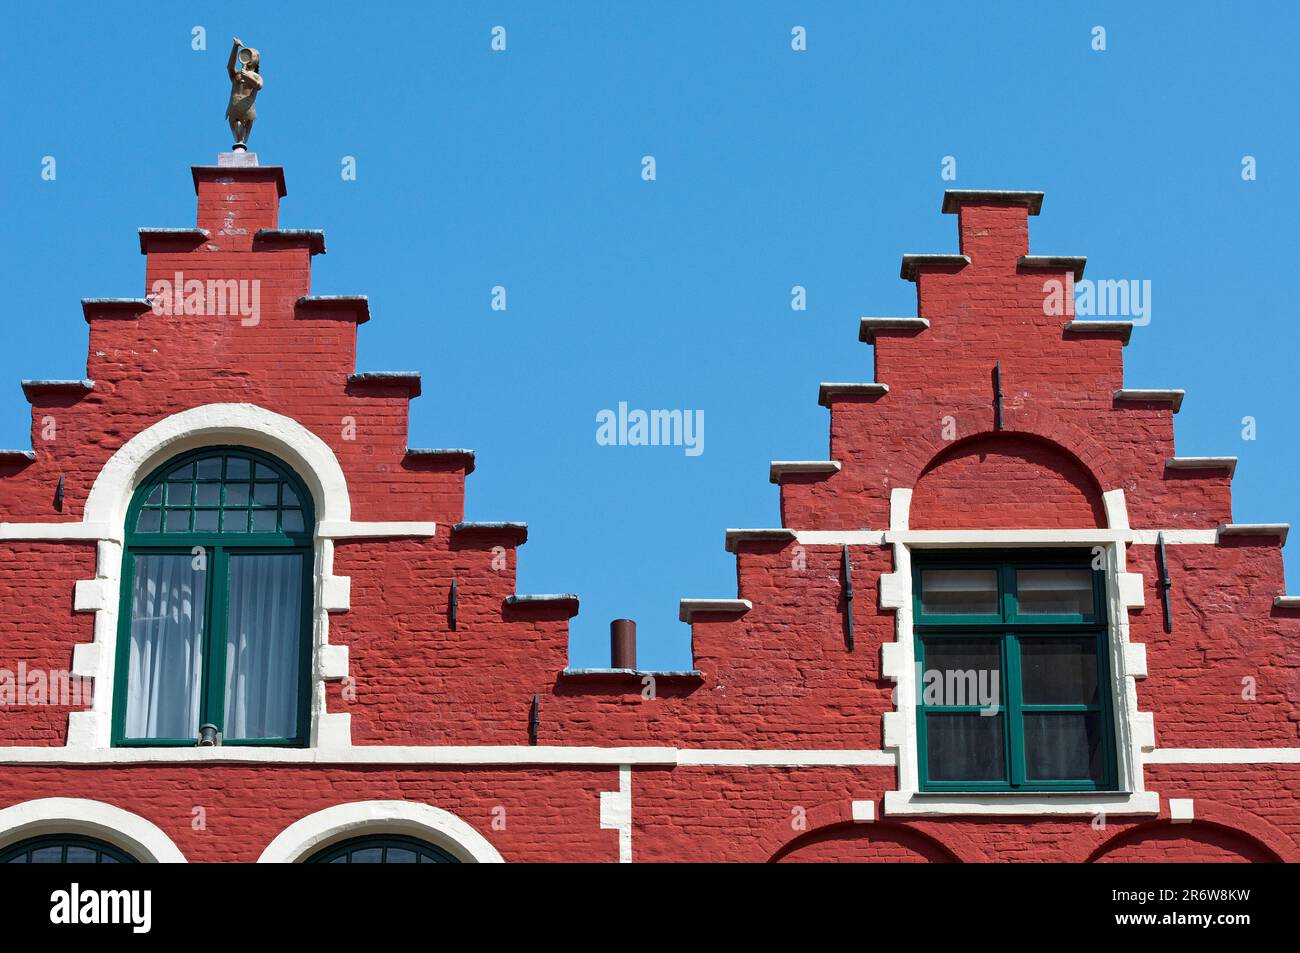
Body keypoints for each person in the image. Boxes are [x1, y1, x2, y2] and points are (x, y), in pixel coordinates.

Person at [226, 37, 263, 148]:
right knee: (235, 127)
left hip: (247, 107)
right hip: (234, 105)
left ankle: (242, 141)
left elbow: (258, 85)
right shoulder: (237, 74)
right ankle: (239, 141)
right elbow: (230, 67)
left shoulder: (256, 76)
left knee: (244, 129)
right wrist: (235, 47)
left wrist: (247, 76)